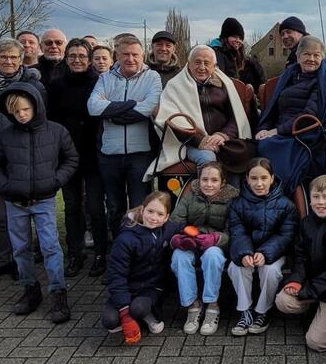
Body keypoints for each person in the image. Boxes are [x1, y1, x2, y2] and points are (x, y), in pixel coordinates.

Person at [0, 83, 79, 323]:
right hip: (14, 201)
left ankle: (58, 291)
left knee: (50, 246)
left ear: (36, 106)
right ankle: (30, 288)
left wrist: (56, 180)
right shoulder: (5, 135)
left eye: (25, 109)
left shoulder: (56, 131)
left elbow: (71, 158)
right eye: (16, 112)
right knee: (21, 248)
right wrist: (5, 186)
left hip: (44, 199)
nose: (22, 115)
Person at [0, 38, 47, 284]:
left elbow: (42, 121)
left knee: (22, 214)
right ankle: (2, 259)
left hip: (23, 157)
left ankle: (21, 260)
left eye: (14, 57)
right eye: (3, 57)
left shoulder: (34, 84)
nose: (9, 61)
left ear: (21, 58)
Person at [87, 34, 163, 236]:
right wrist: (131, 105)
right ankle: (119, 246)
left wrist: (111, 111)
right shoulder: (105, 78)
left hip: (141, 154)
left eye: (135, 54)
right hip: (109, 154)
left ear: (143, 55)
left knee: (140, 207)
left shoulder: (152, 77)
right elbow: (93, 107)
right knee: (114, 207)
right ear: (117, 56)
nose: (130, 59)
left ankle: (140, 247)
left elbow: (149, 107)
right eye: (125, 54)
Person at [275, 174, 326, 352]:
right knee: (283, 301)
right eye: (315, 197)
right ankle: (314, 309)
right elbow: (300, 257)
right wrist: (295, 281)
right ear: (309, 200)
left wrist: (308, 292)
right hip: (312, 286)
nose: (320, 202)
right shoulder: (306, 223)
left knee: (316, 343)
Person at [48, 39, 106, 277]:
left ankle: (101, 254)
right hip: (67, 155)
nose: (77, 60)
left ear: (89, 58)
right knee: (72, 207)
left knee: (95, 207)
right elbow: (51, 120)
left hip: (94, 155)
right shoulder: (57, 85)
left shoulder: (100, 84)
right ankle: (75, 253)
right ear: (66, 58)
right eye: (72, 56)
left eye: (82, 55)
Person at [149, 44, 253, 176]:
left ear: (214, 66)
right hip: (189, 143)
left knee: (244, 154)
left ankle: (233, 194)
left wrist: (222, 135)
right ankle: (206, 195)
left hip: (223, 140)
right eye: (197, 62)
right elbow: (171, 120)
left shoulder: (225, 85)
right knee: (207, 159)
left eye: (206, 63)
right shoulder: (175, 85)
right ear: (189, 64)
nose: (202, 67)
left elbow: (236, 117)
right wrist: (200, 141)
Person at [255, 36, 326, 187]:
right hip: (280, 130)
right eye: (307, 54)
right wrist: (264, 128)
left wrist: (276, 131)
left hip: (304, 133)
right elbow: (273, 108)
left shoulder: (322, 81)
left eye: (316, 55)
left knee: (268, 146)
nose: (312, 59)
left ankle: (281, 191)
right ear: (298, 56)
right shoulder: (289, 76)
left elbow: (309, 115)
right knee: (255, 145)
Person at [227, 158, 299, 336]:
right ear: (247, 179)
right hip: (247, 249)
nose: (259, 183)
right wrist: (245, 253)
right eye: (254, 178)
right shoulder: (237, 204)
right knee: (236, 267)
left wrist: (265, 253)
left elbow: (286, 235)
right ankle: (245, 311)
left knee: (270, 270)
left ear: (272, 178)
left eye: (264, 178)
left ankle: (262, 311)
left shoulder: (287, 205)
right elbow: (237, 231)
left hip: (275, 252)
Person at [170, 162, 239, 335]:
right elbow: (175, 222)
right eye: (205, 179)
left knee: (213, 256)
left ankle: (212, 305)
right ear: (199, 181)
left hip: (216, 243)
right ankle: (193, 305)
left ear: (222, 182)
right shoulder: (190, 196)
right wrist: (180, 238)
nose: (209, 184)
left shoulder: (232, 200)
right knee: (179, 256)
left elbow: (235, 230)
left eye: (214, 180)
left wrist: (217, 238)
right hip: (192, 240)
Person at [103, 191, 179, 344]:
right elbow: (116, 275)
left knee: (138, 309)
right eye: (150, 211)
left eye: (159, 214)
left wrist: (194, 235)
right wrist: (125, 315)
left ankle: (147, 313)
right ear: (142, 210)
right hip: (127, 287)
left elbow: (181, 228)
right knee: (110, 322)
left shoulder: (166, 229)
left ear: (166, 218)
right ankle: (126, 310)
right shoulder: (125, 239)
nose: (153, 217)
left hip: (151, 287)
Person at [210, 17, 265, 92]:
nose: (238, 41)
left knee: (253, 65)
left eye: (240, 38)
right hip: (225, 92)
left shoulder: (238, 55)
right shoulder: (216, 53)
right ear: (226, 37)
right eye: (234, 37)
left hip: (239, 90)